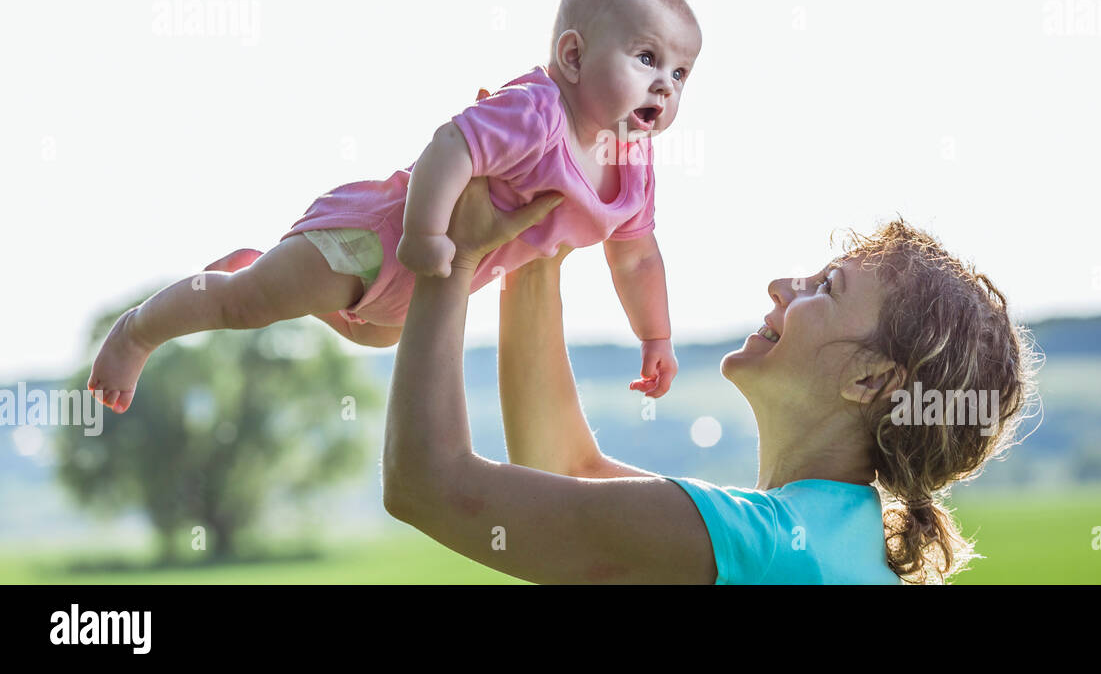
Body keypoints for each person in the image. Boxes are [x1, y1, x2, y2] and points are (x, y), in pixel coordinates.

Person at [87, 0, 702, 413]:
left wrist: (655, 335)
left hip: (424, 286)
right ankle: (138, 330)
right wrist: (423, 231)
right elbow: (449, 146)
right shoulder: (536, 112)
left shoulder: (631, 165)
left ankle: (266, 267)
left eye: (680, 72)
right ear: (572, 56)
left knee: (374, 333)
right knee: (245, 306)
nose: (666, 86)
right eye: (646, 58)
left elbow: (638, 255)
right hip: (377, 241)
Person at [382, 176, 1041, 584]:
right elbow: (562, 467)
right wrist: (541, 237)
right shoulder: (825, 540)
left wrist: (457, 254)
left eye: (826, 288)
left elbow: (426, 484)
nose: (782, 286)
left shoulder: (767, 546)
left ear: (871, 378)